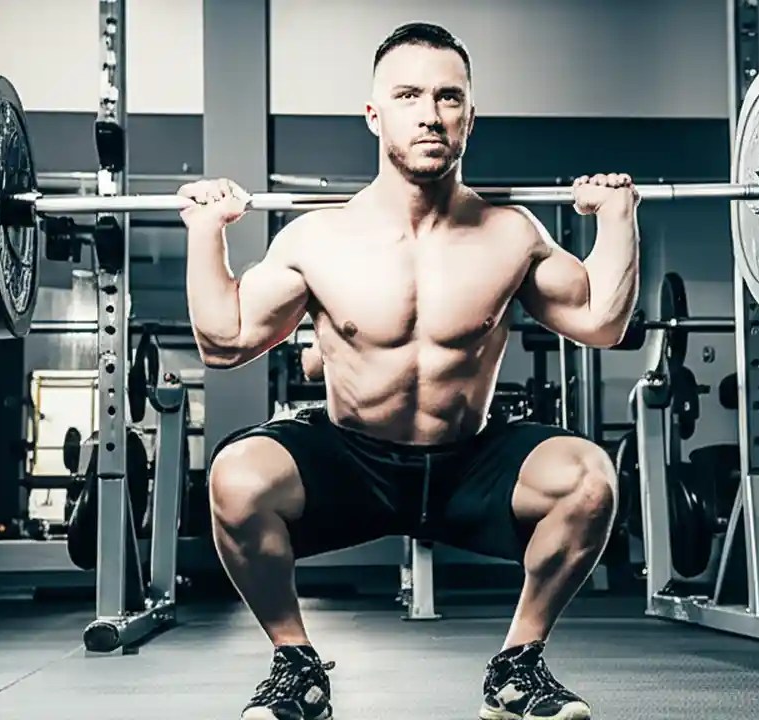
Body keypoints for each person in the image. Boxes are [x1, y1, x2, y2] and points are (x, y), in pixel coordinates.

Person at [179, 21, 640, 720]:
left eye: (449, 98)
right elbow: (225, 342)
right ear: (375, 113)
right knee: (236, 477)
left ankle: (518, 669)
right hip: (350, 462)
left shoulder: (512, 232)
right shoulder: (318, 237)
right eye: (409, 95)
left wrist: (618, 217)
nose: (430, 113)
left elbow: (601, 322)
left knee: (589, 478)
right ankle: (295, 665)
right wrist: (206, 234)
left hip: (467, 465)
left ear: (470, 117)